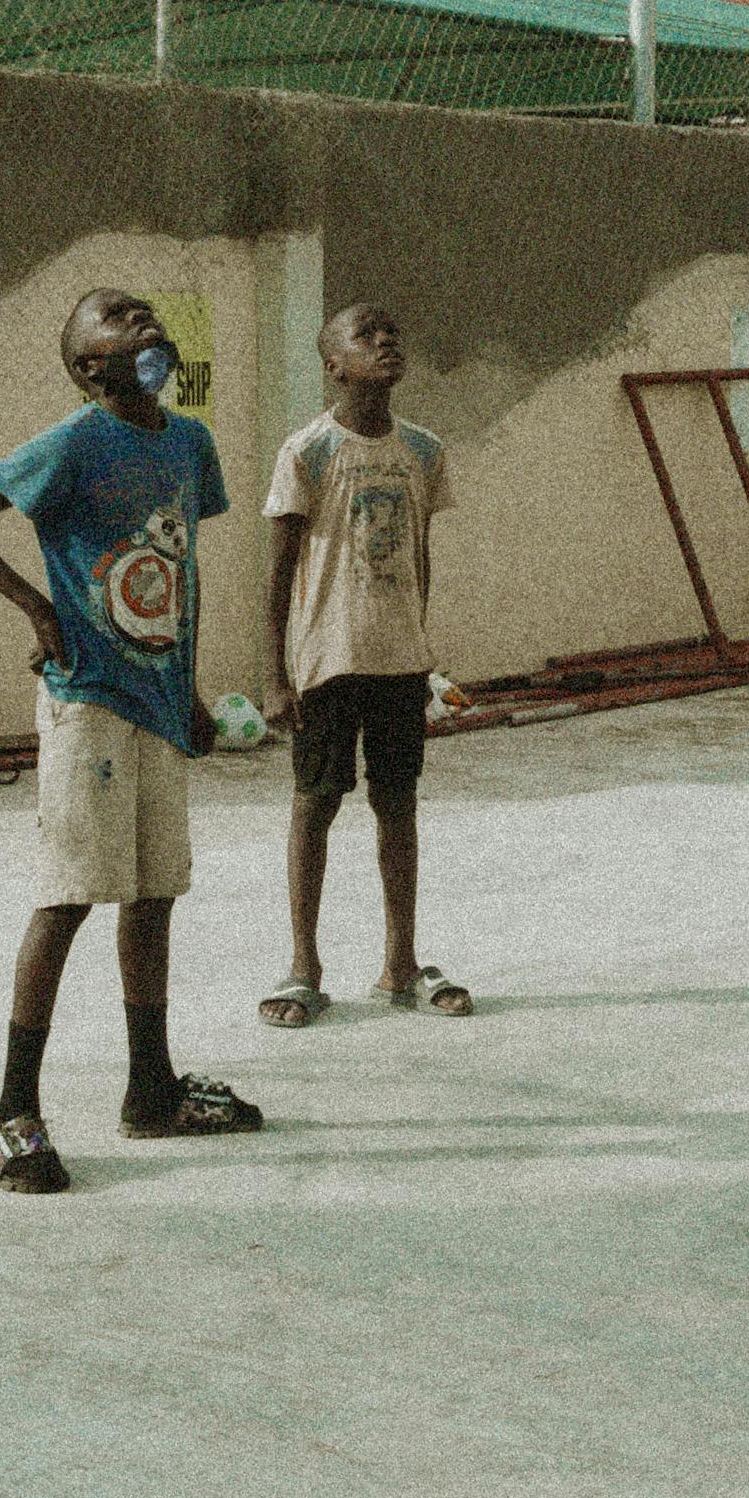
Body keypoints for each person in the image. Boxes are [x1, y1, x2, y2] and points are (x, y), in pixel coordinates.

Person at [0, 285, 262, 1192]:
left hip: (157, 702)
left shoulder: (189, 443)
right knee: (71, 892)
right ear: (87, 366)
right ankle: (10, 1112)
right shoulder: (74, 440)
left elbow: (165, 570)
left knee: (152, 893)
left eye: (146, 312)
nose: (144, 322)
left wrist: (187, 687)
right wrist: (38, 609)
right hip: (89, 701)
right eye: (117, 318)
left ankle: (149, 1089)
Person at [256, 302, 470, 1028]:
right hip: (326, 661)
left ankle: (400, 964)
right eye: (365, 335)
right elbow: (279, 569)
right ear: (332, 363)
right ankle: (302, 965)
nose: (385, 341)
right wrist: (274, 675)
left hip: (398, 662)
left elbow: (420, 555)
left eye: (393, 332)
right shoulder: (308, 450)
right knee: (314, 805)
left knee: (397, 804)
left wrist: (423, 653)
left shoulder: (424, 449)